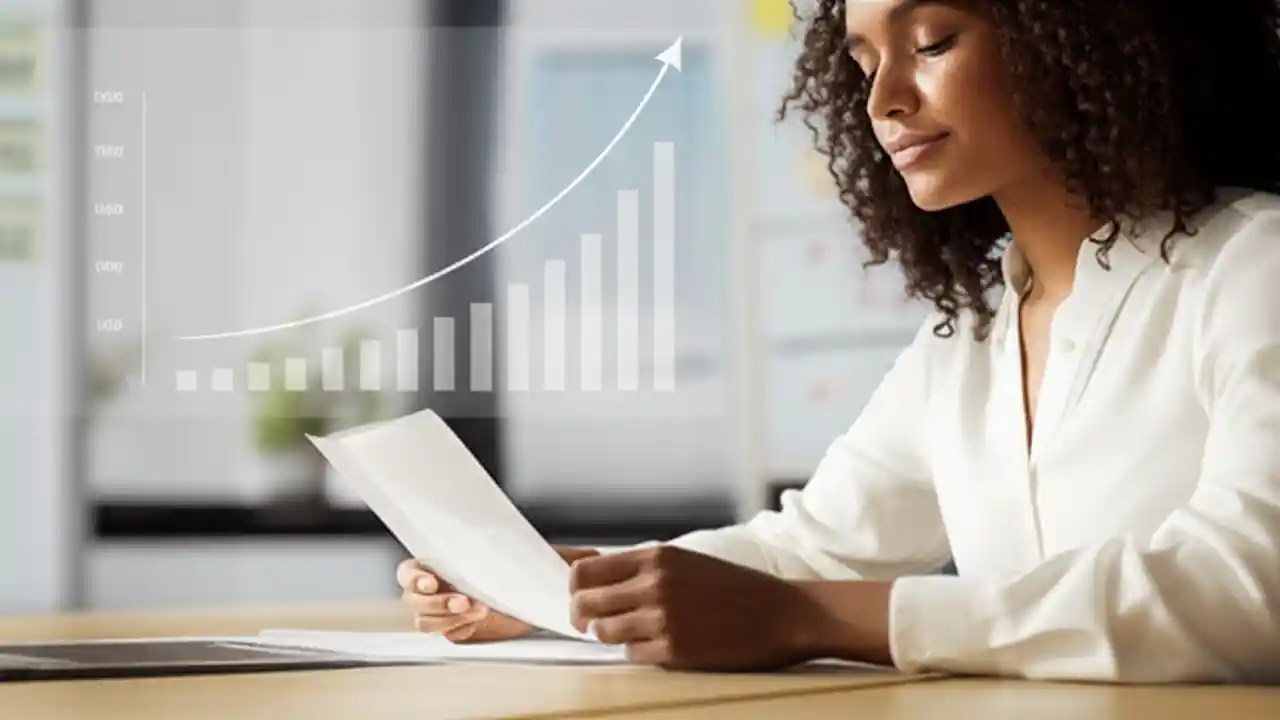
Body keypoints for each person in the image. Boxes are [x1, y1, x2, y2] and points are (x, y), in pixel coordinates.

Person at [398, 0, 1280, 683]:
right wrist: (572, 591)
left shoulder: (1253, 266)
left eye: (932, 41)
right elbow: (809, 548)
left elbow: (1247, 591)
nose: (884, 100)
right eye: (863, 63)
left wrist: (812, 619)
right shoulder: (969, 335)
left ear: (1079, 36)